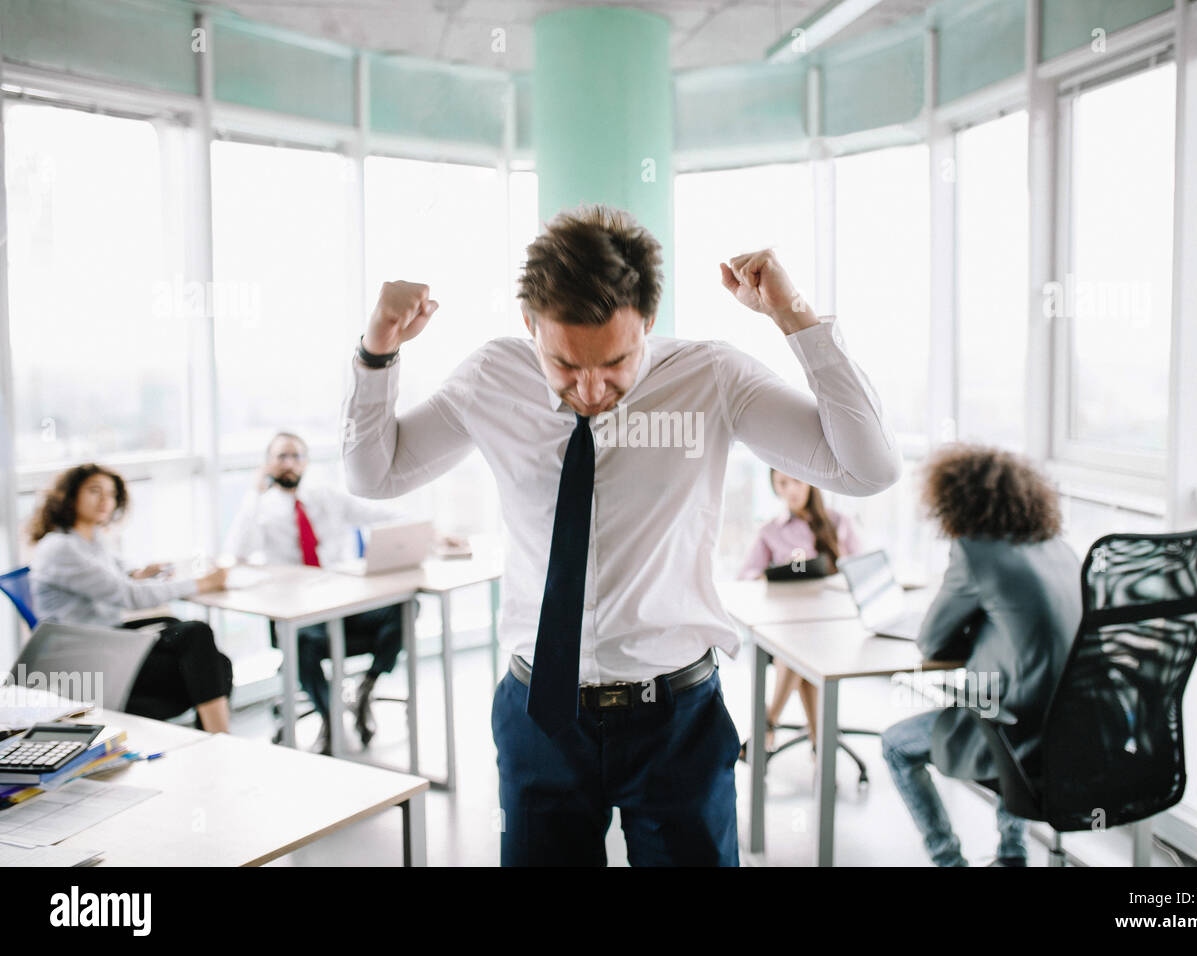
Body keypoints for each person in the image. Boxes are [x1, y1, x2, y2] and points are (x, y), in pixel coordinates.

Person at [342, 203, 901, 866]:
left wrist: (795, 317)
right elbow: (374, 475)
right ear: (530, 326)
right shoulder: (493, 377)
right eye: (563, 364)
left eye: (615, 362)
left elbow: (867, 468)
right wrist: (378, 348)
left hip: (678, 723)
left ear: (648, 323)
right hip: (538, 717)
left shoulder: (710, 377)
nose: (590, 388)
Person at [880, 444, 1081, 867]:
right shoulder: (1057, 547)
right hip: (1074, 724)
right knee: (1013, 705)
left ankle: (948, 860)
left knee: (897, 746)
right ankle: (1013, 852)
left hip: (1012, 727)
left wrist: (965, 628)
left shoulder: (974, 551)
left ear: (954, 501)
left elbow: (931, 641)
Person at [223, 431, 411, 755]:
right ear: (267, 463)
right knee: (299, 642)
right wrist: (254, 494)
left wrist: (431, 530)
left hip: (345, 603)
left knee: (406, 607)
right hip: (300, 613)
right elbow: (235, 553)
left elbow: (383, 515)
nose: (289, 463)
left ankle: (368, 685)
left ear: (306, 462)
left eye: (296, 456)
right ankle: (331, 717)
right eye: (281, 456)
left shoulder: (326, 496)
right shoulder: (261, 509)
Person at [26, 464, 234, 732]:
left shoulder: (92, 540)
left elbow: (119, 575)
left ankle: (213, 740)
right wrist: (201, 583)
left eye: (111, 494)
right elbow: (130, 596)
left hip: (107, 641)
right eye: (94, 491)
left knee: (210, 655)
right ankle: (219, 738)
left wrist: (140, 573)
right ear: (69, 495)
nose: (105, 501)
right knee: (204, 650)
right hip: (81, 657)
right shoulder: (60, 547)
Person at [738, 468, 862, 755]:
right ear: (775, 489)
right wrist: (771, 575)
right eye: (782, 483)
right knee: (797, 650)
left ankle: (767, 724)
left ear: (810, 481)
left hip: (836, 625)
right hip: (788, 625)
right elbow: (745, 576)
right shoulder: (770, 531)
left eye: (796, 481)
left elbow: (861, 567)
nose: (791, 489)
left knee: (797, 652)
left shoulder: (839, 522)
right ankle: (821, 743)